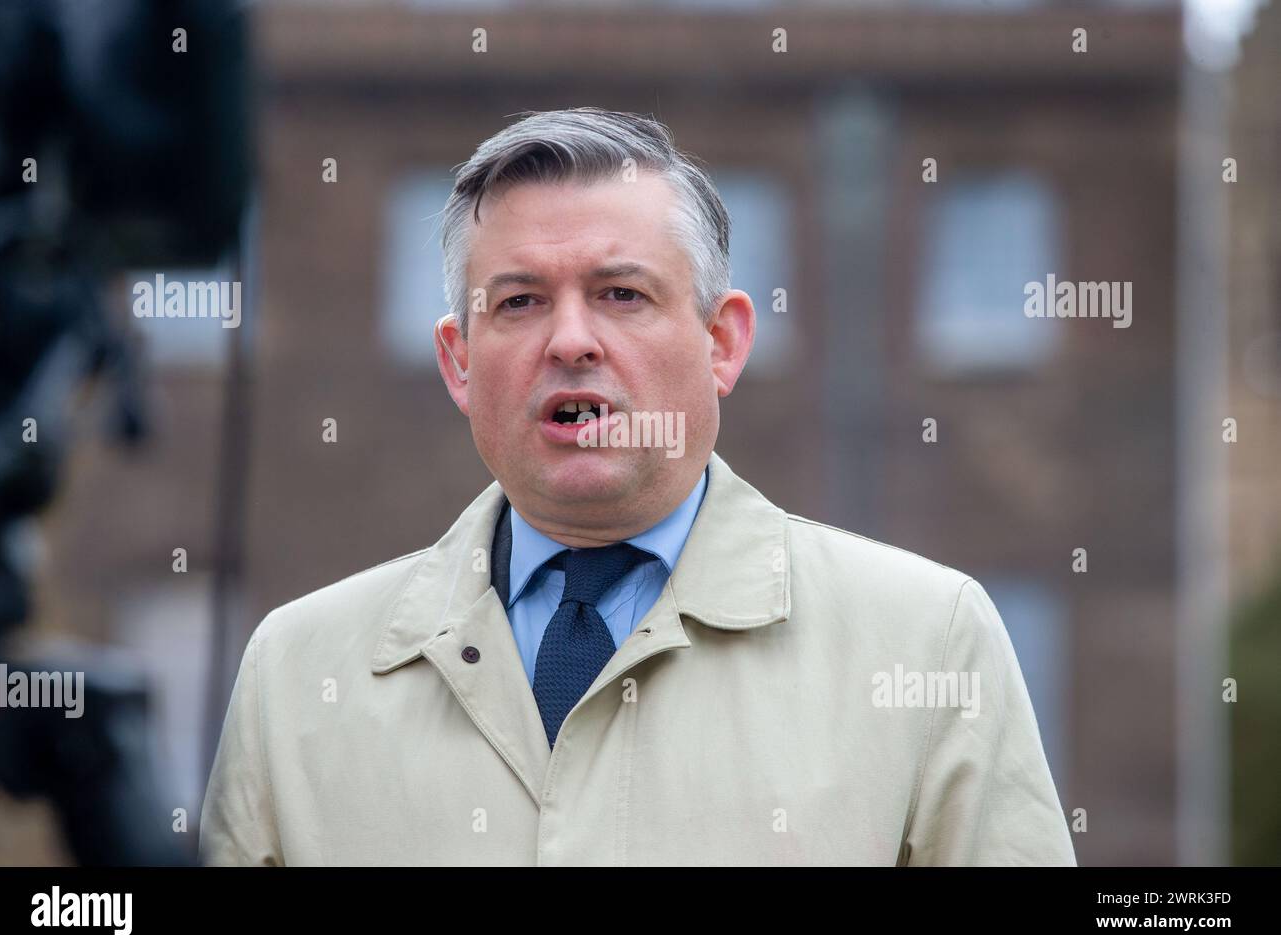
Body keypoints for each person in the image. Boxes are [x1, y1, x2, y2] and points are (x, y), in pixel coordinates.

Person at [200, 107, 1076, 866]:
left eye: (621, 294)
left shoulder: (925, 642)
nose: (571, 340)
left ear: (723, 343)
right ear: (458, 363)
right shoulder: (297, 673)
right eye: (519, 302)